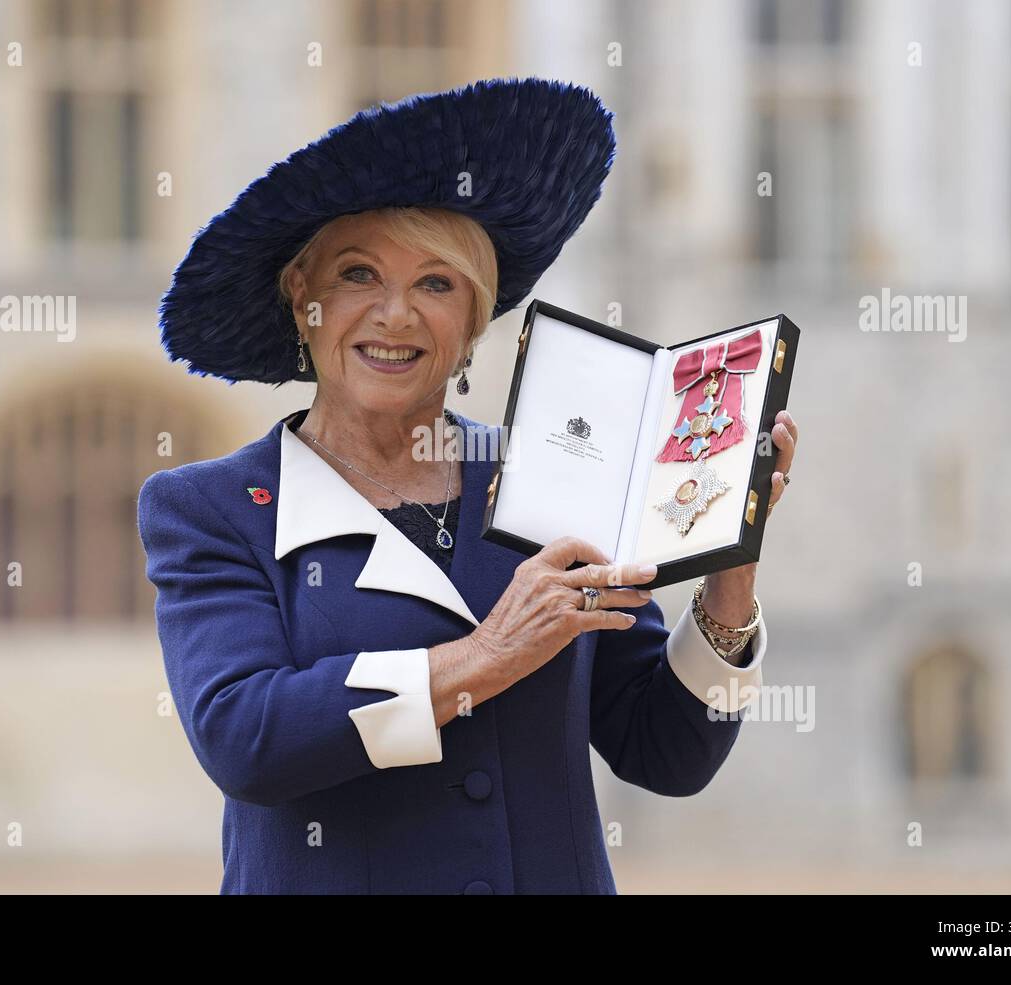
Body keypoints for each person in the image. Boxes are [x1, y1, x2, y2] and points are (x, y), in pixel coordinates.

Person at [138, 77, 799, 894]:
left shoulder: (557, 473)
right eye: (357, 274)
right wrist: (481, 658)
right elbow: (246, 739)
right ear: (302, 299)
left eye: (436, 284)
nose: (395, 314)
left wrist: (730, 574)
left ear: (476, 321)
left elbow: (662, 750)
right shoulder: (212, 510)